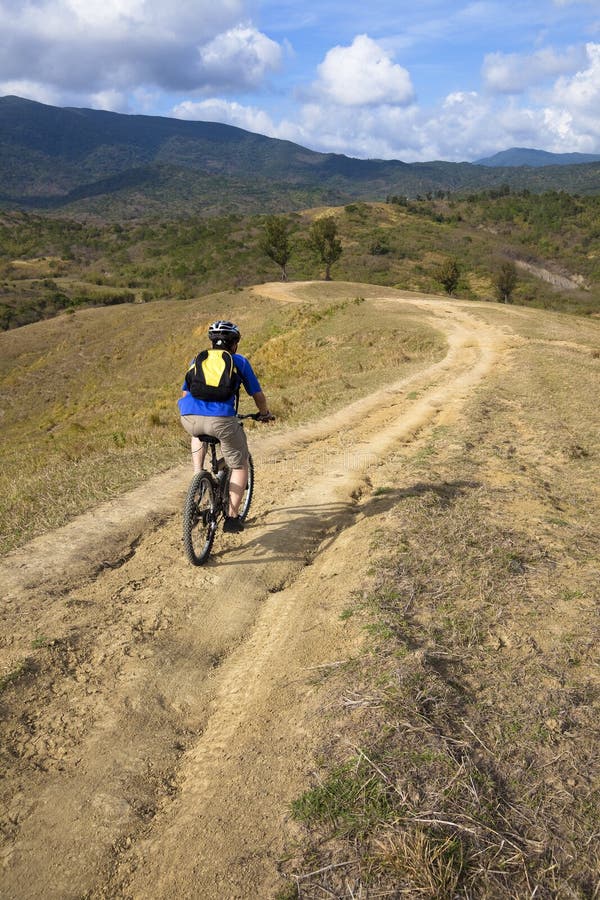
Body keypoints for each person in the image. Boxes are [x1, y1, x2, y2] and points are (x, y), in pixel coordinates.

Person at [178, 320, 274, 534]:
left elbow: (185, 393)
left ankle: (198, 475)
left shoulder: (197, 359)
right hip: (222, 420)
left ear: (212, 342)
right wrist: (265, 413)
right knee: (240, 464)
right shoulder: (239, 361)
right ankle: (232, 518)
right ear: (235, 344)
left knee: (198, 433)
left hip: (189, 416)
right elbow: (257, 395)